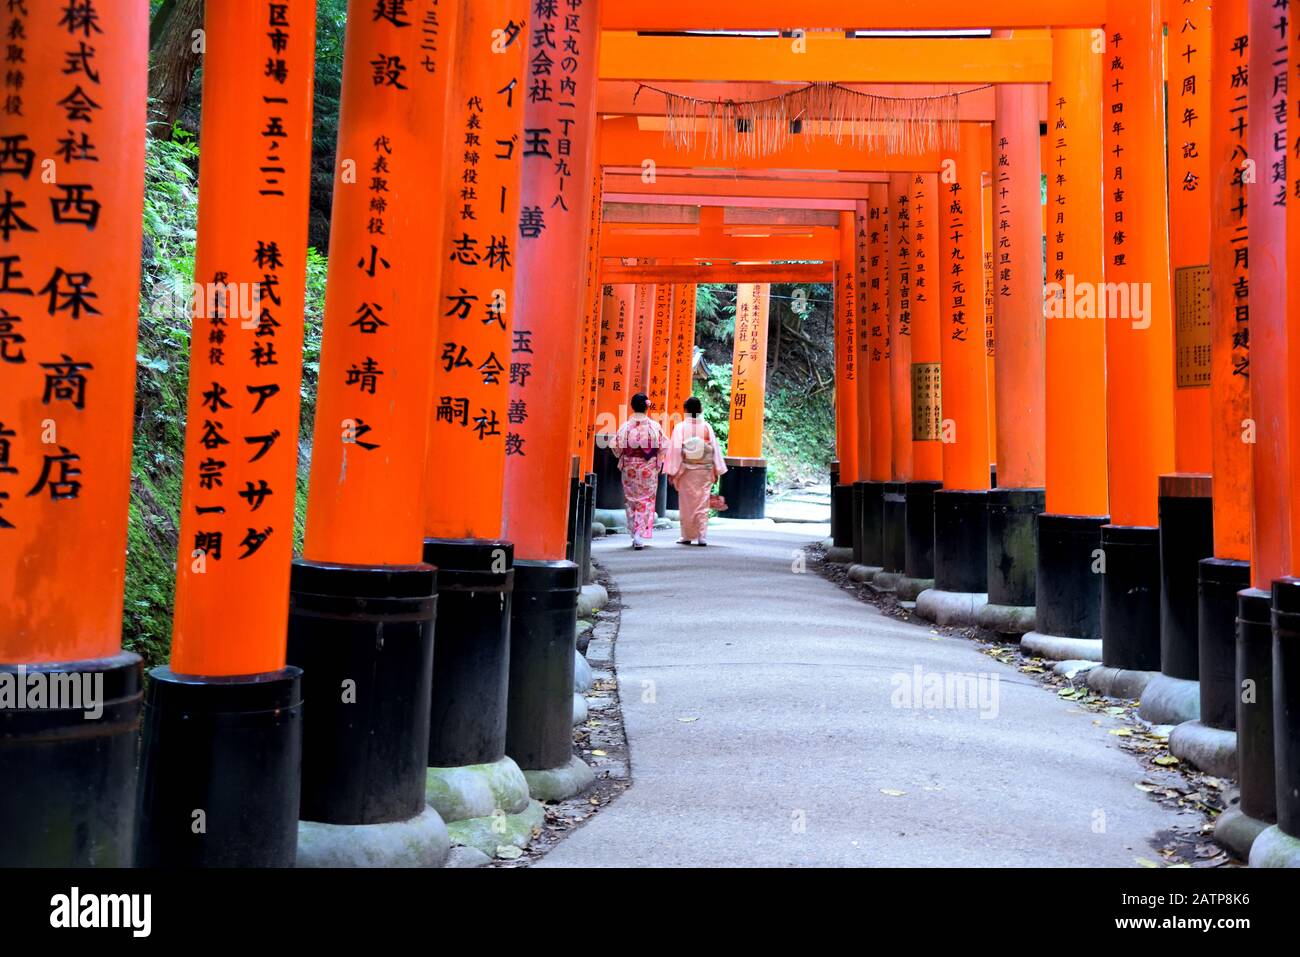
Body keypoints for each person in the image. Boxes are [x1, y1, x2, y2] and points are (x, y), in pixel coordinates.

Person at [665, 396, 727, 546]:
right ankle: (701, 536)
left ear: (685, 410)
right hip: (704, 470)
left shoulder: (680, 427)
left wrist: (672, 471)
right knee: (702, 503)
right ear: (700, 410)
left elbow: (676, 450)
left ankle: (686, 536)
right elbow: (714, 451)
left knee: (686, 504)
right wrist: (716, 469)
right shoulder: (706, 427)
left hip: (687, 471)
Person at [610, 393, 665, 550]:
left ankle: (635, 532)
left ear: (632, 407)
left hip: (629, 467)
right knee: (645, 500)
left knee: (631, 499)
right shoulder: (654, 427)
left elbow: (616, 446)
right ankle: (639, 534)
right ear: (647, 406)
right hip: (648, 467)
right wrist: (658, 462)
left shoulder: (625, 427)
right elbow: (663, 446)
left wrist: (624, 455)